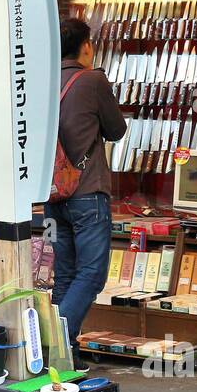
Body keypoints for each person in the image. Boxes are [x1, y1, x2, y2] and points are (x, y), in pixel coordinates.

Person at [46, 18, 127, 361]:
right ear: (84, 46)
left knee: (64, 273)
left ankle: (67, 353)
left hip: (53, 196)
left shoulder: (44, 81)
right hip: (88, 193)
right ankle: (55, 340)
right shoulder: (93, 80)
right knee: (92, 273)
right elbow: (117, 128)